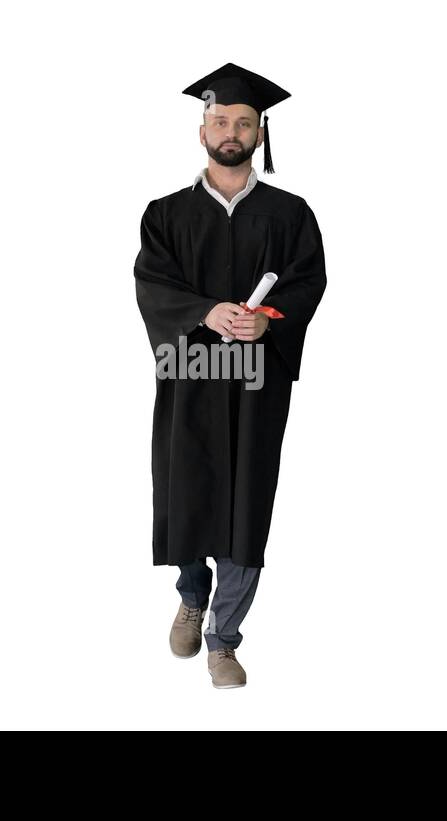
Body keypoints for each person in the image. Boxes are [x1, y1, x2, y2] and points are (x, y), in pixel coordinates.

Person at [133, 63, 327, 689]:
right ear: (202, 131)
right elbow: (153, 285)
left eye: (244, 122)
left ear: (260, 133)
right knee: (186, 493)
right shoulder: (165, 215)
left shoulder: (290, 213)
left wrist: (267, 322)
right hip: (191, 372)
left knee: (248, 504)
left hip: (254, 381)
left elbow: (306, 283)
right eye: (221, 120)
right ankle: (192, 594)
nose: (231, 131)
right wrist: (204, 312)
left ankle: (223, 638)